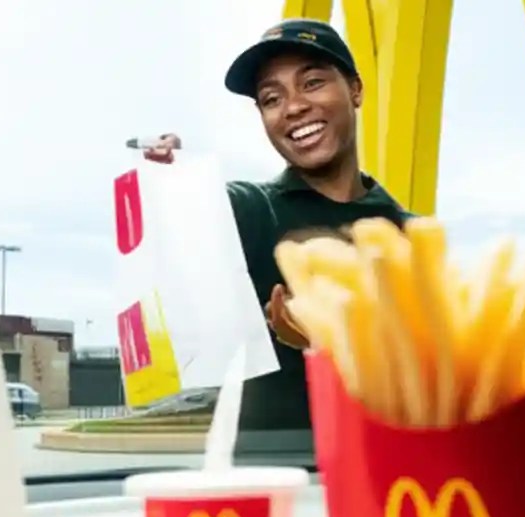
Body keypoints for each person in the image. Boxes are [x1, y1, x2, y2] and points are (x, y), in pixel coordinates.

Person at [144, 18, 413, 432]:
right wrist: (172, 181)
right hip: (272, 472)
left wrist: (331, 340)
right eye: (271, 98)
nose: (293, 107)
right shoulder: (251, 210)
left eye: (312, 83)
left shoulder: (412, 234)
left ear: (355, 89)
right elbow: (185, 227)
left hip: (390, 475)